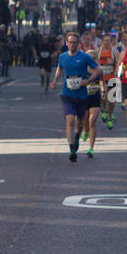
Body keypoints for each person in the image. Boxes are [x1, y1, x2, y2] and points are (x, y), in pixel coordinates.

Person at [51, 31, 100, 162]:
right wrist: (55, 80)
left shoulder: (84, 57)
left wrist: (88, 81)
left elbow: (98, 69)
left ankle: (77, 135)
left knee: (79, 123)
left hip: (82, 95)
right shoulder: (62, 57)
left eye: (74, 42)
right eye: (70, 42)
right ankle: (72, 150)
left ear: (78, 44)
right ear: (66, 43)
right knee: (70, 120)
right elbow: (59, 69)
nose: (72, 44)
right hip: (67, 94)